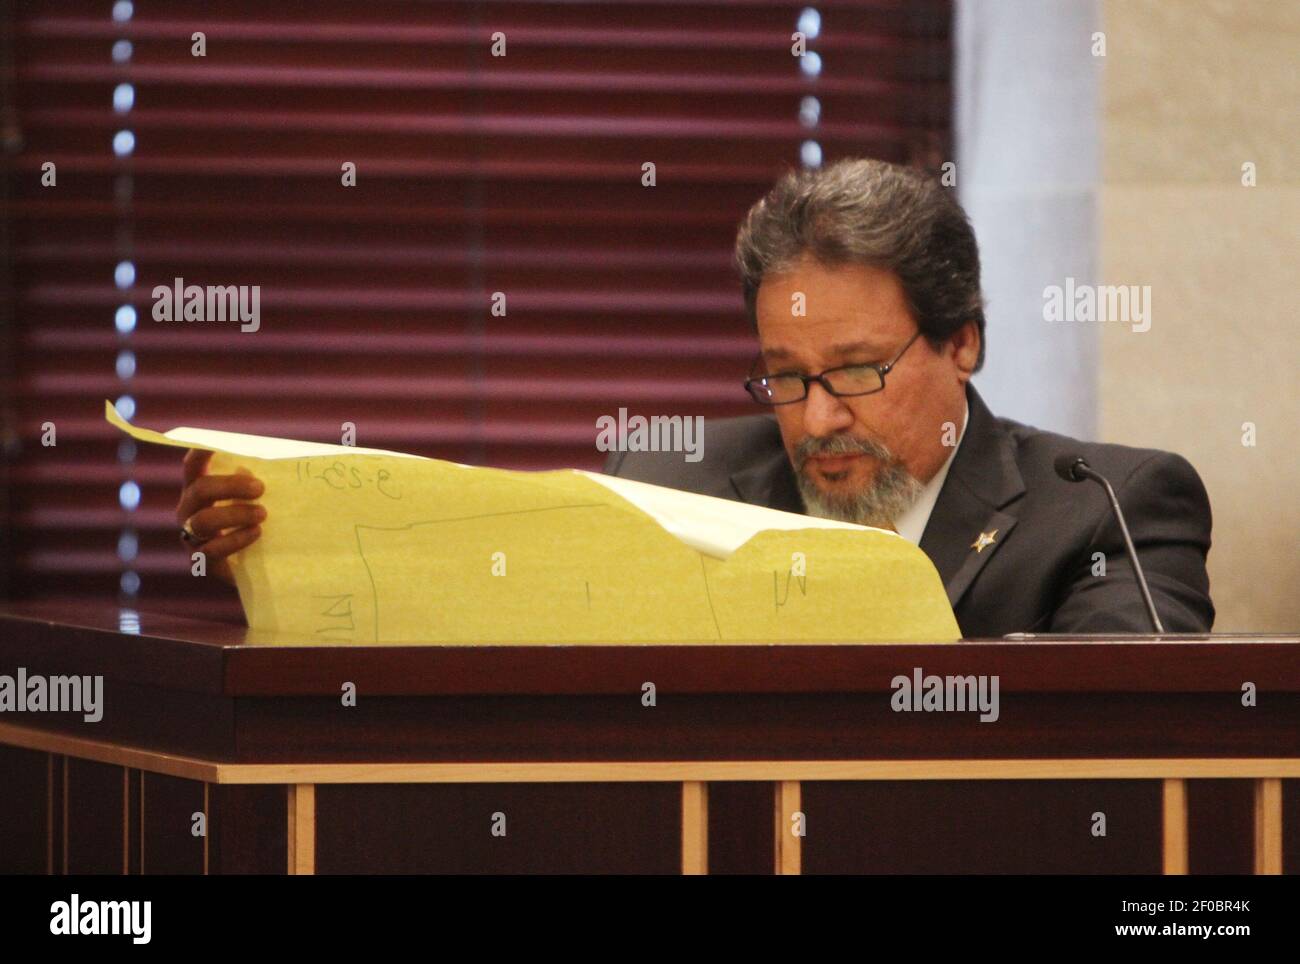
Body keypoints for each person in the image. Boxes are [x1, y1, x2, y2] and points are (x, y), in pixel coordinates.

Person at [177, 158, 1214, 637]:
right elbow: (495, 625)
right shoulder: (676, 478)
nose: (815, 418)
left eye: (856, 370)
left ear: (964, 340)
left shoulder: (1107, 507)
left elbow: (1112, 736)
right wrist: (287, 550)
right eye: (784, 375)